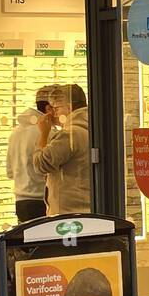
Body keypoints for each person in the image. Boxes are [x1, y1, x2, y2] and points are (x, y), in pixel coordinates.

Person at [33, 83, 90, 216]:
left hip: (67, 213)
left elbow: (40, 164)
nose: (54, 113)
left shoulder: (70, 134)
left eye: (57, 108)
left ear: (69, 108)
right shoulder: (90, 129)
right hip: (85, 209)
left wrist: (43, 134)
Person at [6, 86, 52, 223]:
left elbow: (9, 172)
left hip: (20, 202)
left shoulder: (15, 133)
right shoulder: (48, 134)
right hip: (41, 200)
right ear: (49, 109)